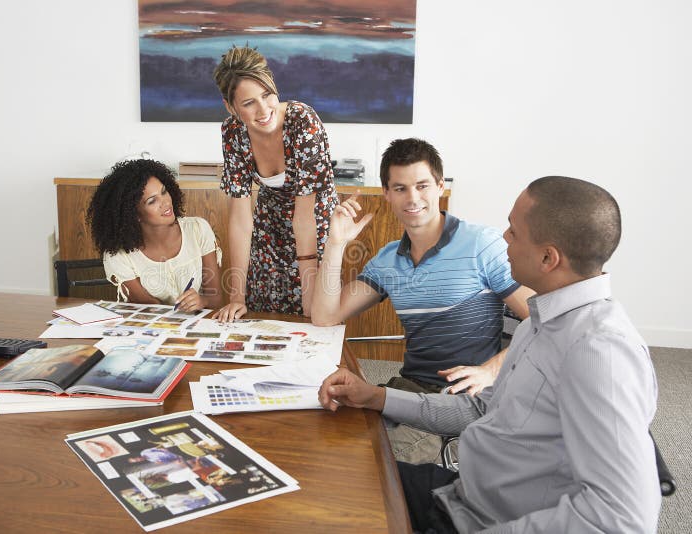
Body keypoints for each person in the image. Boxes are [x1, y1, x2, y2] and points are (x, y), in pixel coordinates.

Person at [319, 176, 660, 533]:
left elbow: (624, 520)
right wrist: (375, 396)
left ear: (548, 257)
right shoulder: (539, 322)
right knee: (333, 476)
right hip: (460, 495)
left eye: (513, 231)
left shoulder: (600, 352)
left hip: (481, 522)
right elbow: (481, 409)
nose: (504, 239)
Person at [312, 138, 532, 396]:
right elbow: (325, 317)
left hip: (468, 394)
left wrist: (491, 370)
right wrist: (335, 244)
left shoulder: (481, 244)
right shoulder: (388, 260)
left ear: (440, 186)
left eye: (422, 186)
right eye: (400, 188)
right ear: (387, 193)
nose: (412, 198)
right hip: (412, 390)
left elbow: (545, 319)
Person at [212, 45, 339, 321]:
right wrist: (236, 296)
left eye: (267, 95)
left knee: (313, 313)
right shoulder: (233, 132)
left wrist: (309, 292)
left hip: (314, 223)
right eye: (248, 103)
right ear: (230, 107)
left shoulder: (303, 122)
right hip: (269, 224)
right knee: (259, 308)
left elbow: (304, 217)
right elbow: (240, 218)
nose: (263, 109)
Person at [87, 158, 222, 311]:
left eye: (164, 192)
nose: (165, 202)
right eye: (152, 201)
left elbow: (215, 300)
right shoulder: (118, 256)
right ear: (134, 214)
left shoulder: (198, 230)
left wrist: (202, 301)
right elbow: (151, 309)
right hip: (155, 330)